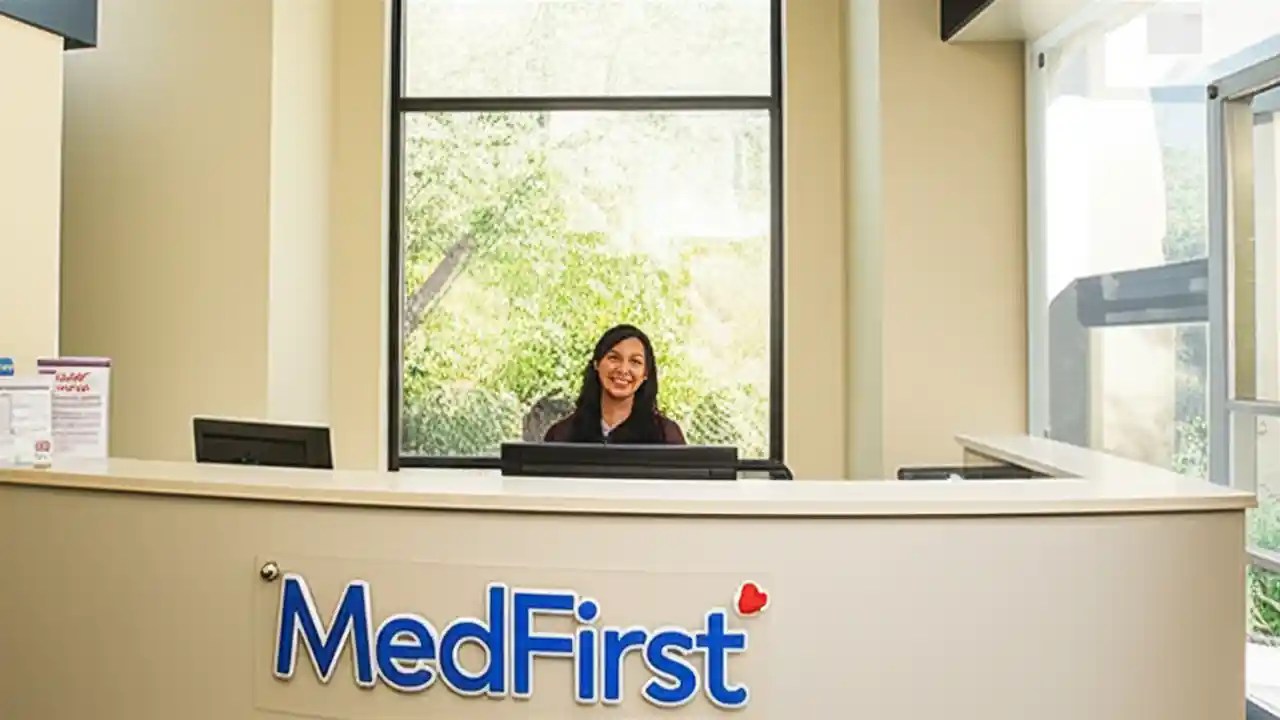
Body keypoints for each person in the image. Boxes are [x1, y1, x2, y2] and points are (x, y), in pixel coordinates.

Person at [543, 324, 686, 445]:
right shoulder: (562, 435)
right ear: (596, 364)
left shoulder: (666, 436)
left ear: (645, 373)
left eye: (635, 362)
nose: (623, 370)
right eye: (614, 358)